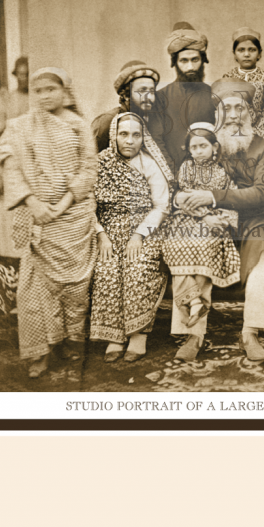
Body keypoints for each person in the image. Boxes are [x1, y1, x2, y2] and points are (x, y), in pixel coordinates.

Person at [0, 67, 98, 379]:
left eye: (51, 89)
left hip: (73, 218)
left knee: (77, 288)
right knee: (35, 290)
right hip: (38, 218)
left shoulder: (79, 125)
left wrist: (65, 203)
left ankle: (73, 343)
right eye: (37, 91)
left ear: (65, 91)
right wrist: (34, 203)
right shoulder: (18, 127)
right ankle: (41, 350)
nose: (44, 96)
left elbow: (89, 168)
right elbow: (10, 167)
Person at [179, 78, 264, 361]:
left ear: (250, 113)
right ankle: (193, 333)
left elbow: (262, 193)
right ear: (218, 115)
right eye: (228, 109)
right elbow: (186, 185)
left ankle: (250, 331)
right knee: (192, 241)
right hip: (210, 218)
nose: (234, 115)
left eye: (241, 108)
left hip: (254, 218)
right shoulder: (208, 146)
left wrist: (212, 195)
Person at [89, 112, 170, 363]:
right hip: (108, 229)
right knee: (107, 268)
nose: (130, 141)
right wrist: (102, 235)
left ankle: (138, 335)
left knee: (138, 267)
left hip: (145, 228)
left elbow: (161, 206)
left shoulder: (149, 163)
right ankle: (114, 336)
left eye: (136, 135)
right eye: (123, 134)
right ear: (114, 135)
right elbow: (86, 205)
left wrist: (138, 235)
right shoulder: (99, 164)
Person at [163, 123, 241, 361]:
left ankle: (195, 319)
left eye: (202, 146)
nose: (197, 151)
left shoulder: (223, 171)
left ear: (214, 147)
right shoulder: (186, 168)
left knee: (204, 245)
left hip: (214, 223)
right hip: (187, 220)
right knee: (178, 244)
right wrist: (203, 215)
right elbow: (183, 198)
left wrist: (221, 220)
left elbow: (232, 199)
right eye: (193, 147)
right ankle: (195, 302)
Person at [91, 61, 174, 178]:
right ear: (126, 94)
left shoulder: (150, 122)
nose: (149, 97)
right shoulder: (107, 122)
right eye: (142, 91)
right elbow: (87, 164)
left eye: (152, 91)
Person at [152, 23, 217, 171]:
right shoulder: (160, 98)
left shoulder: (214, 95)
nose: (190, 67)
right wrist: (173, 173)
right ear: (175, 62)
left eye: (195, 60)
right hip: (171, 172)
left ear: (203, 60)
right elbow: (157, 141)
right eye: (184, 61)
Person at [221, 27, 264, 139]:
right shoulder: (228, 77)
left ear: (259, 53)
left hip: (258, 134)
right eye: (241, 50)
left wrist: (258, 135)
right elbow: (224, 109)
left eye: (252, 49)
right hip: (233, 133)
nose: (246, 54)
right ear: (234, 54)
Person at [0, 56, 30, 194]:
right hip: (14, 155)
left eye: (27, 74)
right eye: (21, 74)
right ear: (16, 75)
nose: (24, 78)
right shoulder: (7, 99)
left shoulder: (39, 98)